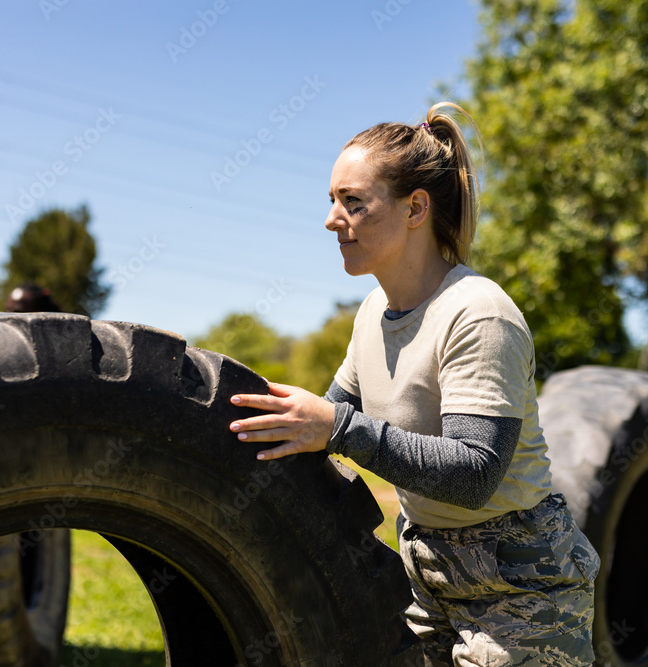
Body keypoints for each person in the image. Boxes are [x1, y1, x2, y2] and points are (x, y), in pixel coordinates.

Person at [227, 102, 599, 666]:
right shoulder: (373, 312)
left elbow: (474, 471)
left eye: (353, 202)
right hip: (426, 577)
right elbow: (324, 425)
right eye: (331, 202)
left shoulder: (477, 312)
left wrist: (336, 428)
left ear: (415, 208)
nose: (333, 220)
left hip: (521, 590)